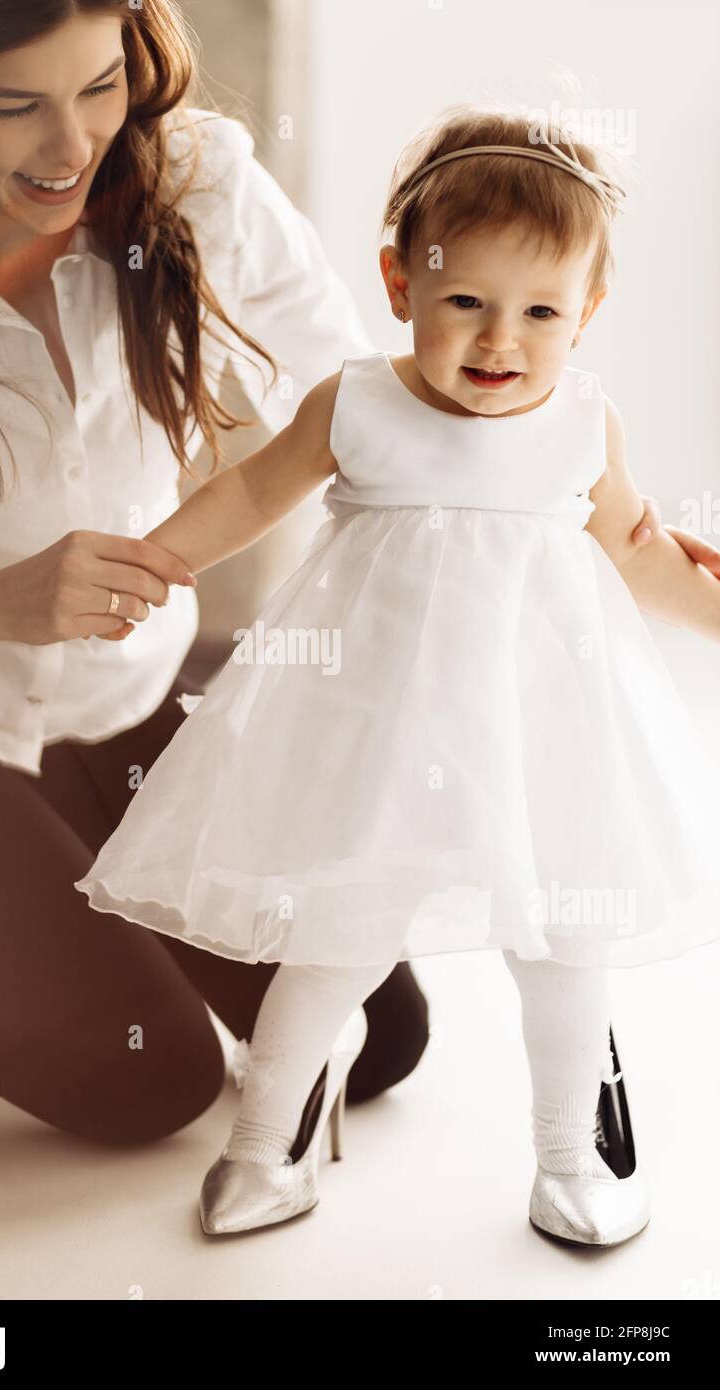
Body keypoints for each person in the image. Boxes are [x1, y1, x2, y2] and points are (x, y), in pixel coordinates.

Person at [75, 104, 720, 1245]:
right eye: (461, 299)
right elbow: (250, 491)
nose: (495, 341)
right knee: (335, 932)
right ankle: (270, 1130)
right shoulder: (356, 401)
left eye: (538, 312)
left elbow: (631, 545)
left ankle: (573, 1141)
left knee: (561, 936)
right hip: (373, 721)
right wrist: (163, 557)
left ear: (588, 316)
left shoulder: (580, 418)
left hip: (538, 722)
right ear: (396, 280)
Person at [0, 0, 437, 1147]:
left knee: (377, 1034)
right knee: (154, 1083)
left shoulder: (194, 185)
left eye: (99, 84)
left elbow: (354, 405)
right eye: (13, 108)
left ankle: (26, 874)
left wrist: (565, 493)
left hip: (115, 701)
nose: (72, 146)